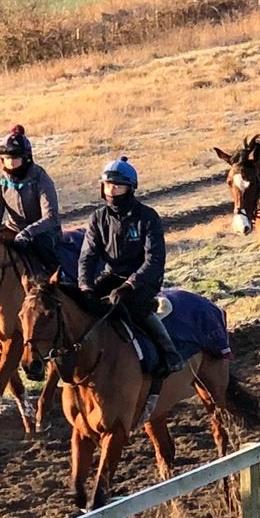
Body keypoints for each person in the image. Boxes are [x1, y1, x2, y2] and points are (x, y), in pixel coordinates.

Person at [78, 157, 183, 378]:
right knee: (83, 307)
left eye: (117, 186)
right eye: (108, 186)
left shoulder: (147, 217)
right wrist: (85, 287)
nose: (112, 191)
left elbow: (154, 259)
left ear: (130, 188)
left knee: (132, 306)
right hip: (111, 276)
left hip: (143, 280)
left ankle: (169, 352)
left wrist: (130, 284)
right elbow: (87, 257)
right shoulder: (97, 218)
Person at [0, 125, 62, 277]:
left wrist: (27, 233)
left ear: (26, 158)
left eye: (15, 158)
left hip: (44, 232)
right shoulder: (0, 183)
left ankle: (58, 281)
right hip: (14, 232)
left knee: (41, 245)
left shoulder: (40, 178)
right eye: (7, 159)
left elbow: (50, 217)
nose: (11, 163)